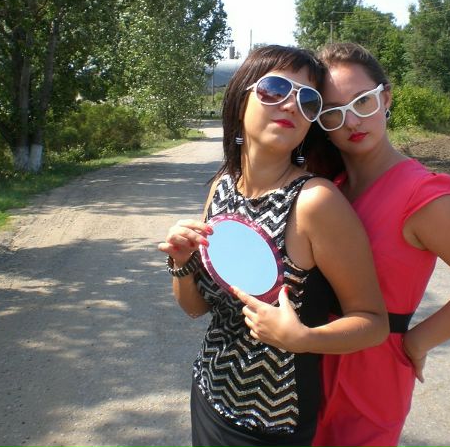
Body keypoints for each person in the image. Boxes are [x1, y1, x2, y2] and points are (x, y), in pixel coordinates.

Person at [157, 45, 389, 447]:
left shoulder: (315, 203)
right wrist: (182, 263)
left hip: (272, 424)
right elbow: (196, 308)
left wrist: (303, 339)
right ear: (240, 99)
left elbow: (374, 323)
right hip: (208, 394)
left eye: (308, 99)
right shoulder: (222, 188)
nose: (291, 104)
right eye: (275, 89)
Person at [300, 43, 450, 447]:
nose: (351, 120)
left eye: (362, 101)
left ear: (385, 98)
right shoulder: (330, 189)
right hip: (312, 362)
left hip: (373, 375)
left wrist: (417, 341)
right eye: (333, 112)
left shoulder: (424, 194)